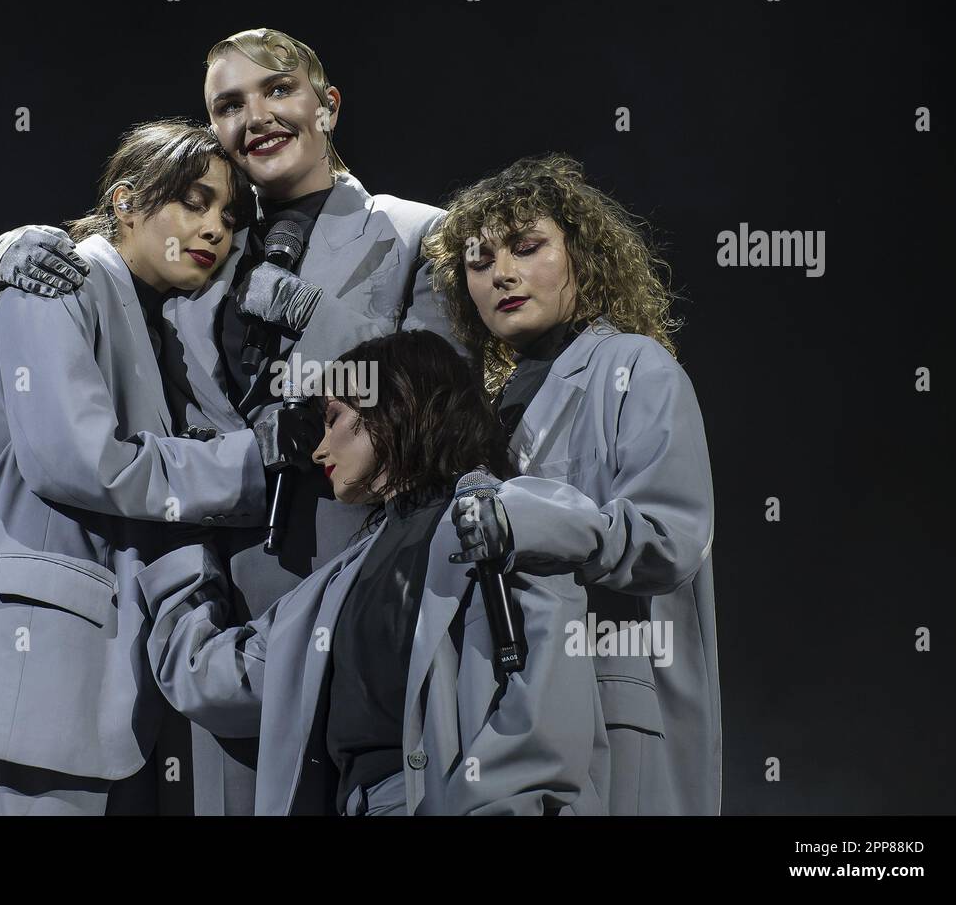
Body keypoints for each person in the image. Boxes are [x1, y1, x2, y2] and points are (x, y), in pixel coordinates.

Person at [0, 28, 458, 814]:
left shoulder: (417, 232)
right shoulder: (196, 251)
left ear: (327, 105)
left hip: (356, 602)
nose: (256, 114)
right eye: (229, 104)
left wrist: (305, 313)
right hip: (207, 630)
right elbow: (68, 330)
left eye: (277, 90)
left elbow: (430, 400)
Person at [0, 119, 323, 815]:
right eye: (193, 200)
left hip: (107, 697)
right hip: (44, 685)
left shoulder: (151, 321)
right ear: (126, 203)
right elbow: (79, 461)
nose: (214, 228)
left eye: (228, 216)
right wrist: (255, 459)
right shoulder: (63, 277)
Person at [138, 331, 609, 815]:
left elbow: (545, 721)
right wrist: (179, 539)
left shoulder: (503, 519)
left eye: (334, 419)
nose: (320, 451)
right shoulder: (337, 582)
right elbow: (220, 677)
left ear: (395, 404)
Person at [423, 154, 721, 814]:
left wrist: (532, 521)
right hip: (506, 712)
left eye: (527, 249)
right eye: (478, 262)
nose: (502, 273)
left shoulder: (634, 367)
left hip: (606, 703)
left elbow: (670, 541)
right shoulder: (488, 406)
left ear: (581, 257)